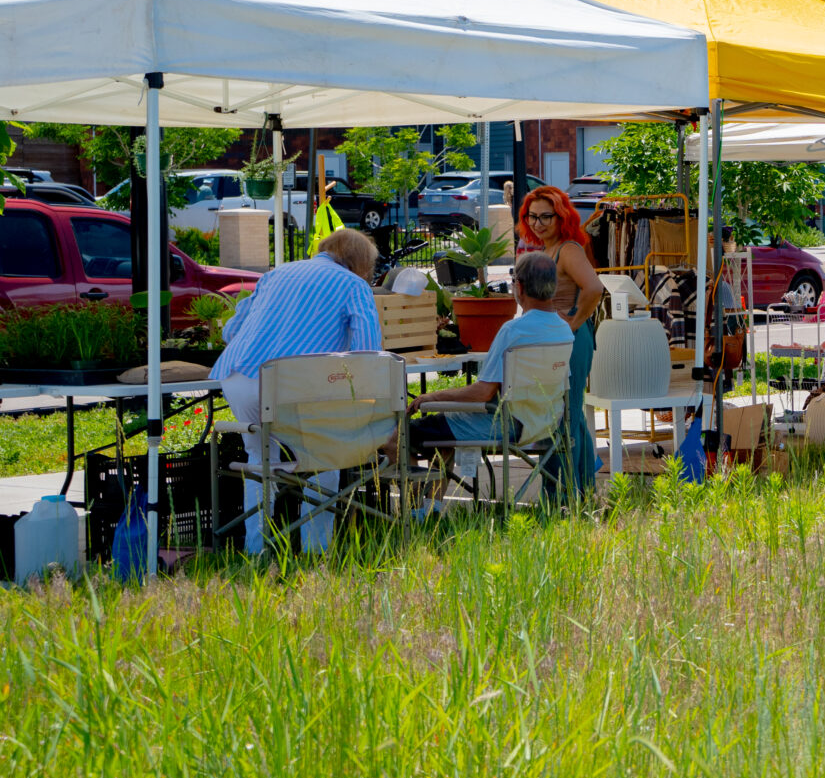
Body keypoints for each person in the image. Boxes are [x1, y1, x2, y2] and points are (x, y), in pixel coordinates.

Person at [212, 227, 382, 555]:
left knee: (260, 460)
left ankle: (256, 549)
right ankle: (315, 551)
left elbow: (231, 330)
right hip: (288, 383)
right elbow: (367, 352)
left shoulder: (278, 273)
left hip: (237, 375)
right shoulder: (354, 285)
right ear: (361, 263)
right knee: (324, 458)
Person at [408, 252, 574, 472]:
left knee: (407, 432)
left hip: (505, 425)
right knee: (442, 431)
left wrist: (432, 396)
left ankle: (418, 504)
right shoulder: (564, 330)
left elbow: (483, 393)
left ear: (520, 287)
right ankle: (432, 503)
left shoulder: (513, 331)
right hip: (545, 424)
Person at [516, 185, 603, 490]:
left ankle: (569, 495)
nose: (538, 223)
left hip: (570, 340)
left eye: (546, 217)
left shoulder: (568, 249)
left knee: (567, 415)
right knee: (561, 415)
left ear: (561, 216)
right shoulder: (545, 250)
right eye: (532, 217)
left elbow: (594, 288)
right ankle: (573, 492)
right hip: (554, 341)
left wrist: (574, 323)